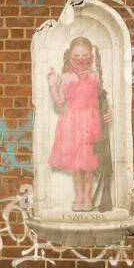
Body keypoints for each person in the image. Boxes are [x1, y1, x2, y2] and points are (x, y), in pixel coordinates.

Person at [47, 35, 112, 210]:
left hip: (91, 123)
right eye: (77, 55)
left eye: (85, 55)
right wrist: (53, 85)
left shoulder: (95, 74)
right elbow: (59, 102)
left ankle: (88, 199)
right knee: (76, 166)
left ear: (90, 55)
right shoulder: (67, 77)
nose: (81, 59)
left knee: (89, 164)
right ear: (70, 56)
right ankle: (79, 198)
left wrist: (109, 110)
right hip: (72, 124)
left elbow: (102, 97)